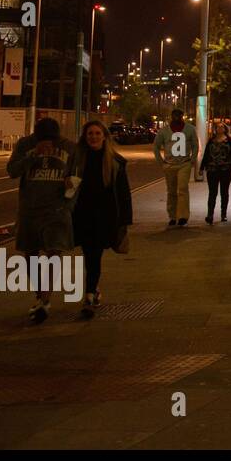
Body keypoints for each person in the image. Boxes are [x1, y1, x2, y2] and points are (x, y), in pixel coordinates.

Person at [6, 118, 74, 323]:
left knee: (54, 250)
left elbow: (78, 177)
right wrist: (34, 155)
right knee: (31, 253)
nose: (48, 143)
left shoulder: (68, 147)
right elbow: (12, 171)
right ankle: (40, 295)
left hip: (56, 209)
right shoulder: (25, 145)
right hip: (29, 210)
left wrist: (68, 203)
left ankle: (45, 299)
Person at [69, 120, 132, 316]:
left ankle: (89, 295)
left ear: (104, 136)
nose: (93, 137)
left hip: (105, 216)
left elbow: (123, 193)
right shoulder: (77, 159)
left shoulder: (114, 161)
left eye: (97, 133)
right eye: (90, 134)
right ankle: (93, 289)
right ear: (84, 137)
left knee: (94, 255)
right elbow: (68, 186)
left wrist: (125, 220)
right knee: (89, 254)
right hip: (82, 214)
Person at [153, 108, 199, 227]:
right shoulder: (164, 131)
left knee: (182, 189)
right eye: (174, 116)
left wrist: (192, 160)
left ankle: (183, 216)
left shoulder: (189, 129)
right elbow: (156, 146)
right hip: (169, 164)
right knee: (171, 191)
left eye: (179, 116)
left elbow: (195, 145)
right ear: (171, 117)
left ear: (182, 116)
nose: (177, 118)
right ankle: (172, 216)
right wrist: (161, 162)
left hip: (184, 163)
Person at [200, 121, 231, 224]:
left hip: (226, 170)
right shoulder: (211, 140)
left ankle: (223, 214)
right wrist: (202, 167)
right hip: (212, 169)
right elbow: (206, 154)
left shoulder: (229, 141)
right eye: (218, 127)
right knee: (212, 192)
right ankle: (210, 215)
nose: (220, 128)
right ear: (215, 129)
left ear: (225, 129)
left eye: (222, 127)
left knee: (224, 192)